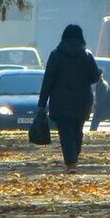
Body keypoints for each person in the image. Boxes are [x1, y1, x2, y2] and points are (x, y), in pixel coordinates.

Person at [38, 24, 100, 173]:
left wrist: (42, 103)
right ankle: (74, 159)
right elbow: (94, 77)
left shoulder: (56, 55)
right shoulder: (87, 56)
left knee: (65, 132)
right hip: (82, 101)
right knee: (77, 130)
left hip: (61, 101)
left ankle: (71, 163)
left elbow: (48, 80)